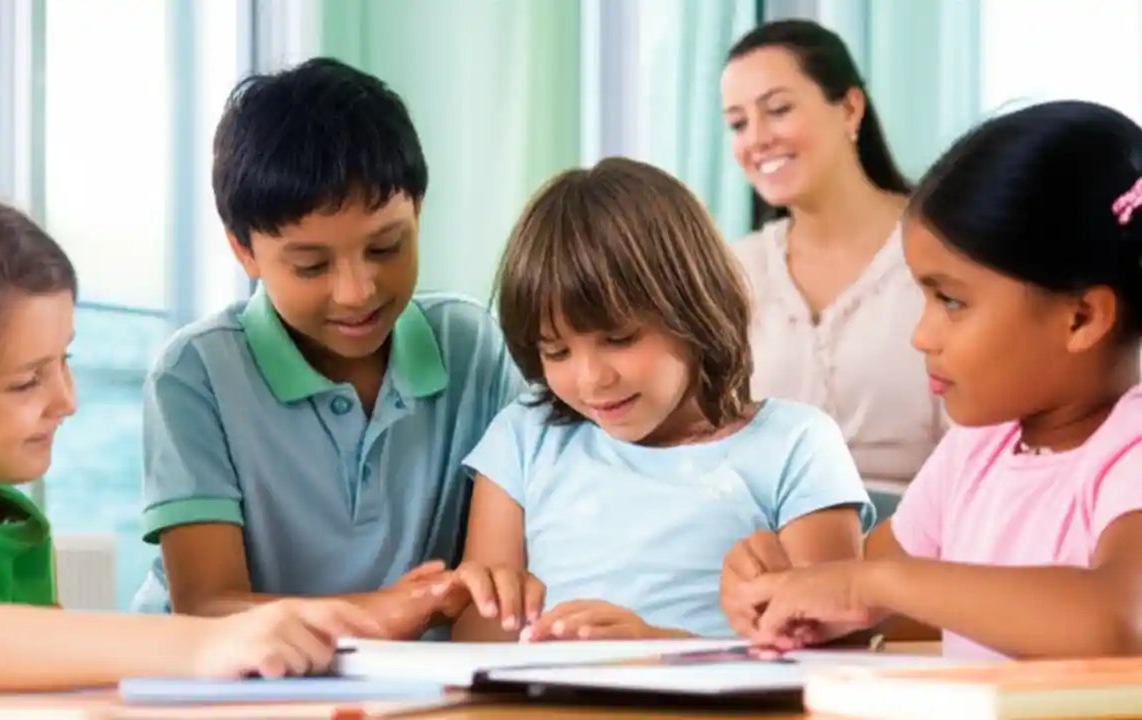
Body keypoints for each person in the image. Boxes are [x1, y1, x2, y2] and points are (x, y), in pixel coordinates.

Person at [0, 188, 380, 700]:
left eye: (63, 360)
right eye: (25, 382)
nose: (67, 400)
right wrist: (207, 642)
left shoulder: (6, 516)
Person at [723, 101, 1142, 659]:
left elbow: (1122, 621)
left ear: (1081, 319)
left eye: (951, 301)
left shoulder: (1128, 451)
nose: (921, 335)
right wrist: (791, 597)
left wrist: (869, 585)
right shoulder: (977, 448)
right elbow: (877, 603)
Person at [131, 58, 526, 640]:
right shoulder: (196, 375)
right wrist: (374, 614)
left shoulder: (474, 349)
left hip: (412, 677)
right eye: (311, 266)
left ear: (417, 211)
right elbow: (206, 604)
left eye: (386, 248)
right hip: (229, 676)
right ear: (244, 251)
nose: (356, 291)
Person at [428, 158, 873, 642]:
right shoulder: (524, 436)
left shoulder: (796, 445)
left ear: (694, 308)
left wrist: (657, 647)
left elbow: (827, 645)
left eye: (619, 339)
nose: (592, 380)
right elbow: (478, 639)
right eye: (556, 351)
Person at [721, 20, 944, 501]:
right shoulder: (735, 271)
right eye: (738, 123)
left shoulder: (946, 250)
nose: (756, 138)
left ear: (849, 108)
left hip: (922, 527)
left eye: (778, 110)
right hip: (769, 529)